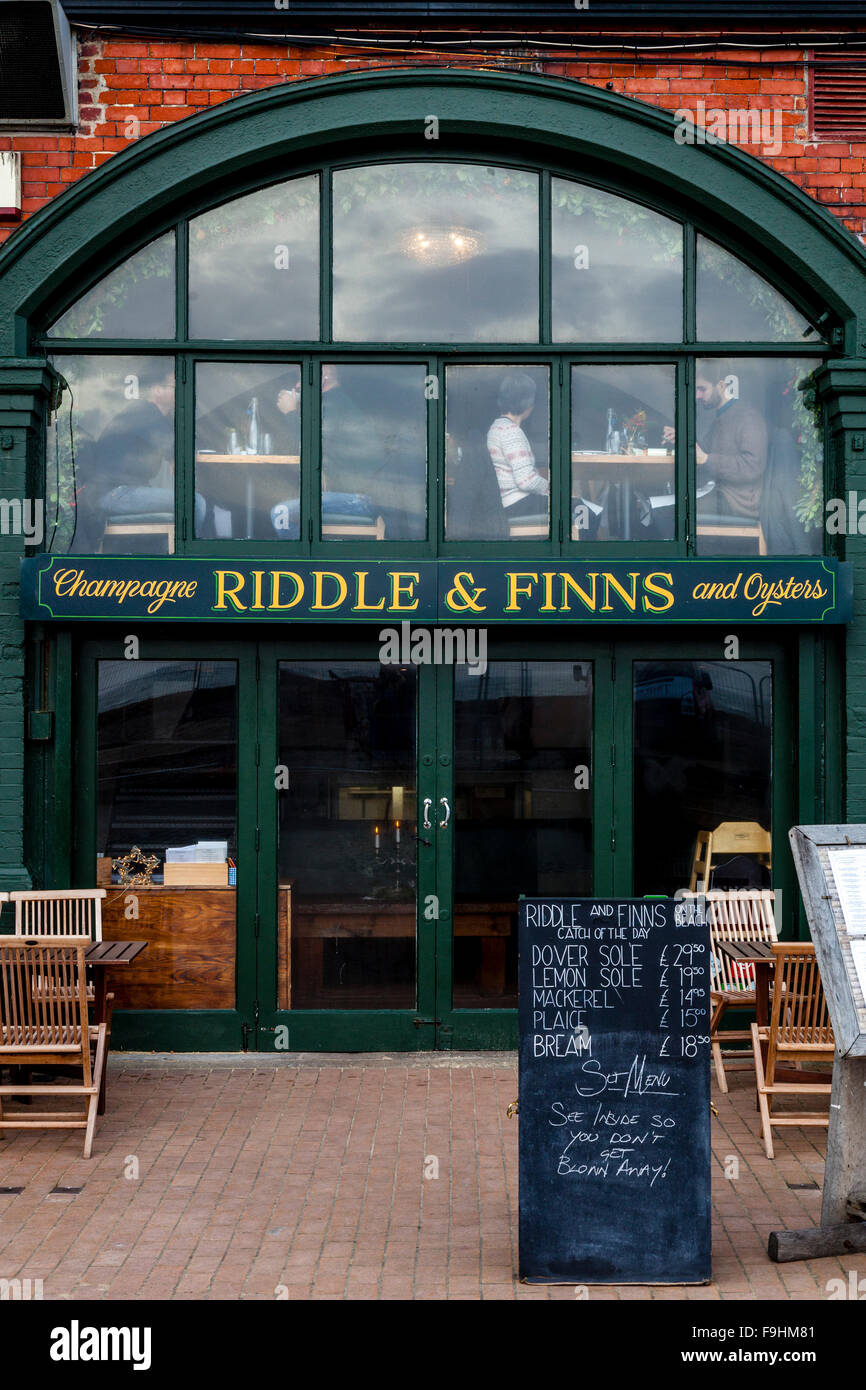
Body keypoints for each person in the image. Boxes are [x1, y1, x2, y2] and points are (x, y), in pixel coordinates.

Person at [79, 368, 205, 551]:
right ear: (157, 390)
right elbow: (179, 454)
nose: (183, 391)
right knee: (195, 502)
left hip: (114, 492)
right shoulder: (144, 411)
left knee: (182, 507)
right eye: (176, 386)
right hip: (114, 494)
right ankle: (191, 566)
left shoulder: (150, 416)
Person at [271, 364, 379, 536]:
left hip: (358, 500)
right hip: (352, 496)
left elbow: (311, 445)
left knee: (280, 512)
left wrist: (291, 412)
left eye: (304, 378)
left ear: (325, 376)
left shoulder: (334, 404)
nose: (299, 384)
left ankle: (305, 562)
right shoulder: (332, 403)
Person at [662, 361, 768, 522]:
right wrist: (682, 440)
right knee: (662, 504)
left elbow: (753, 466)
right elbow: (703, 451)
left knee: (666, 511)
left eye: (702, 389)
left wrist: (707, 459)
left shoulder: (748, 416)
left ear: (721, 386)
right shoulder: (722, 417)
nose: (697, 396)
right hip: (722, 494)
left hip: (740, 503)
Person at [486, 373, 549, 519]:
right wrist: (551, 487)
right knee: (582, 508)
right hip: (517, 503)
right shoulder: (511, 432)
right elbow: (526, 481)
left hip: (506, 503)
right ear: (528, 404)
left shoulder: (496, 427)